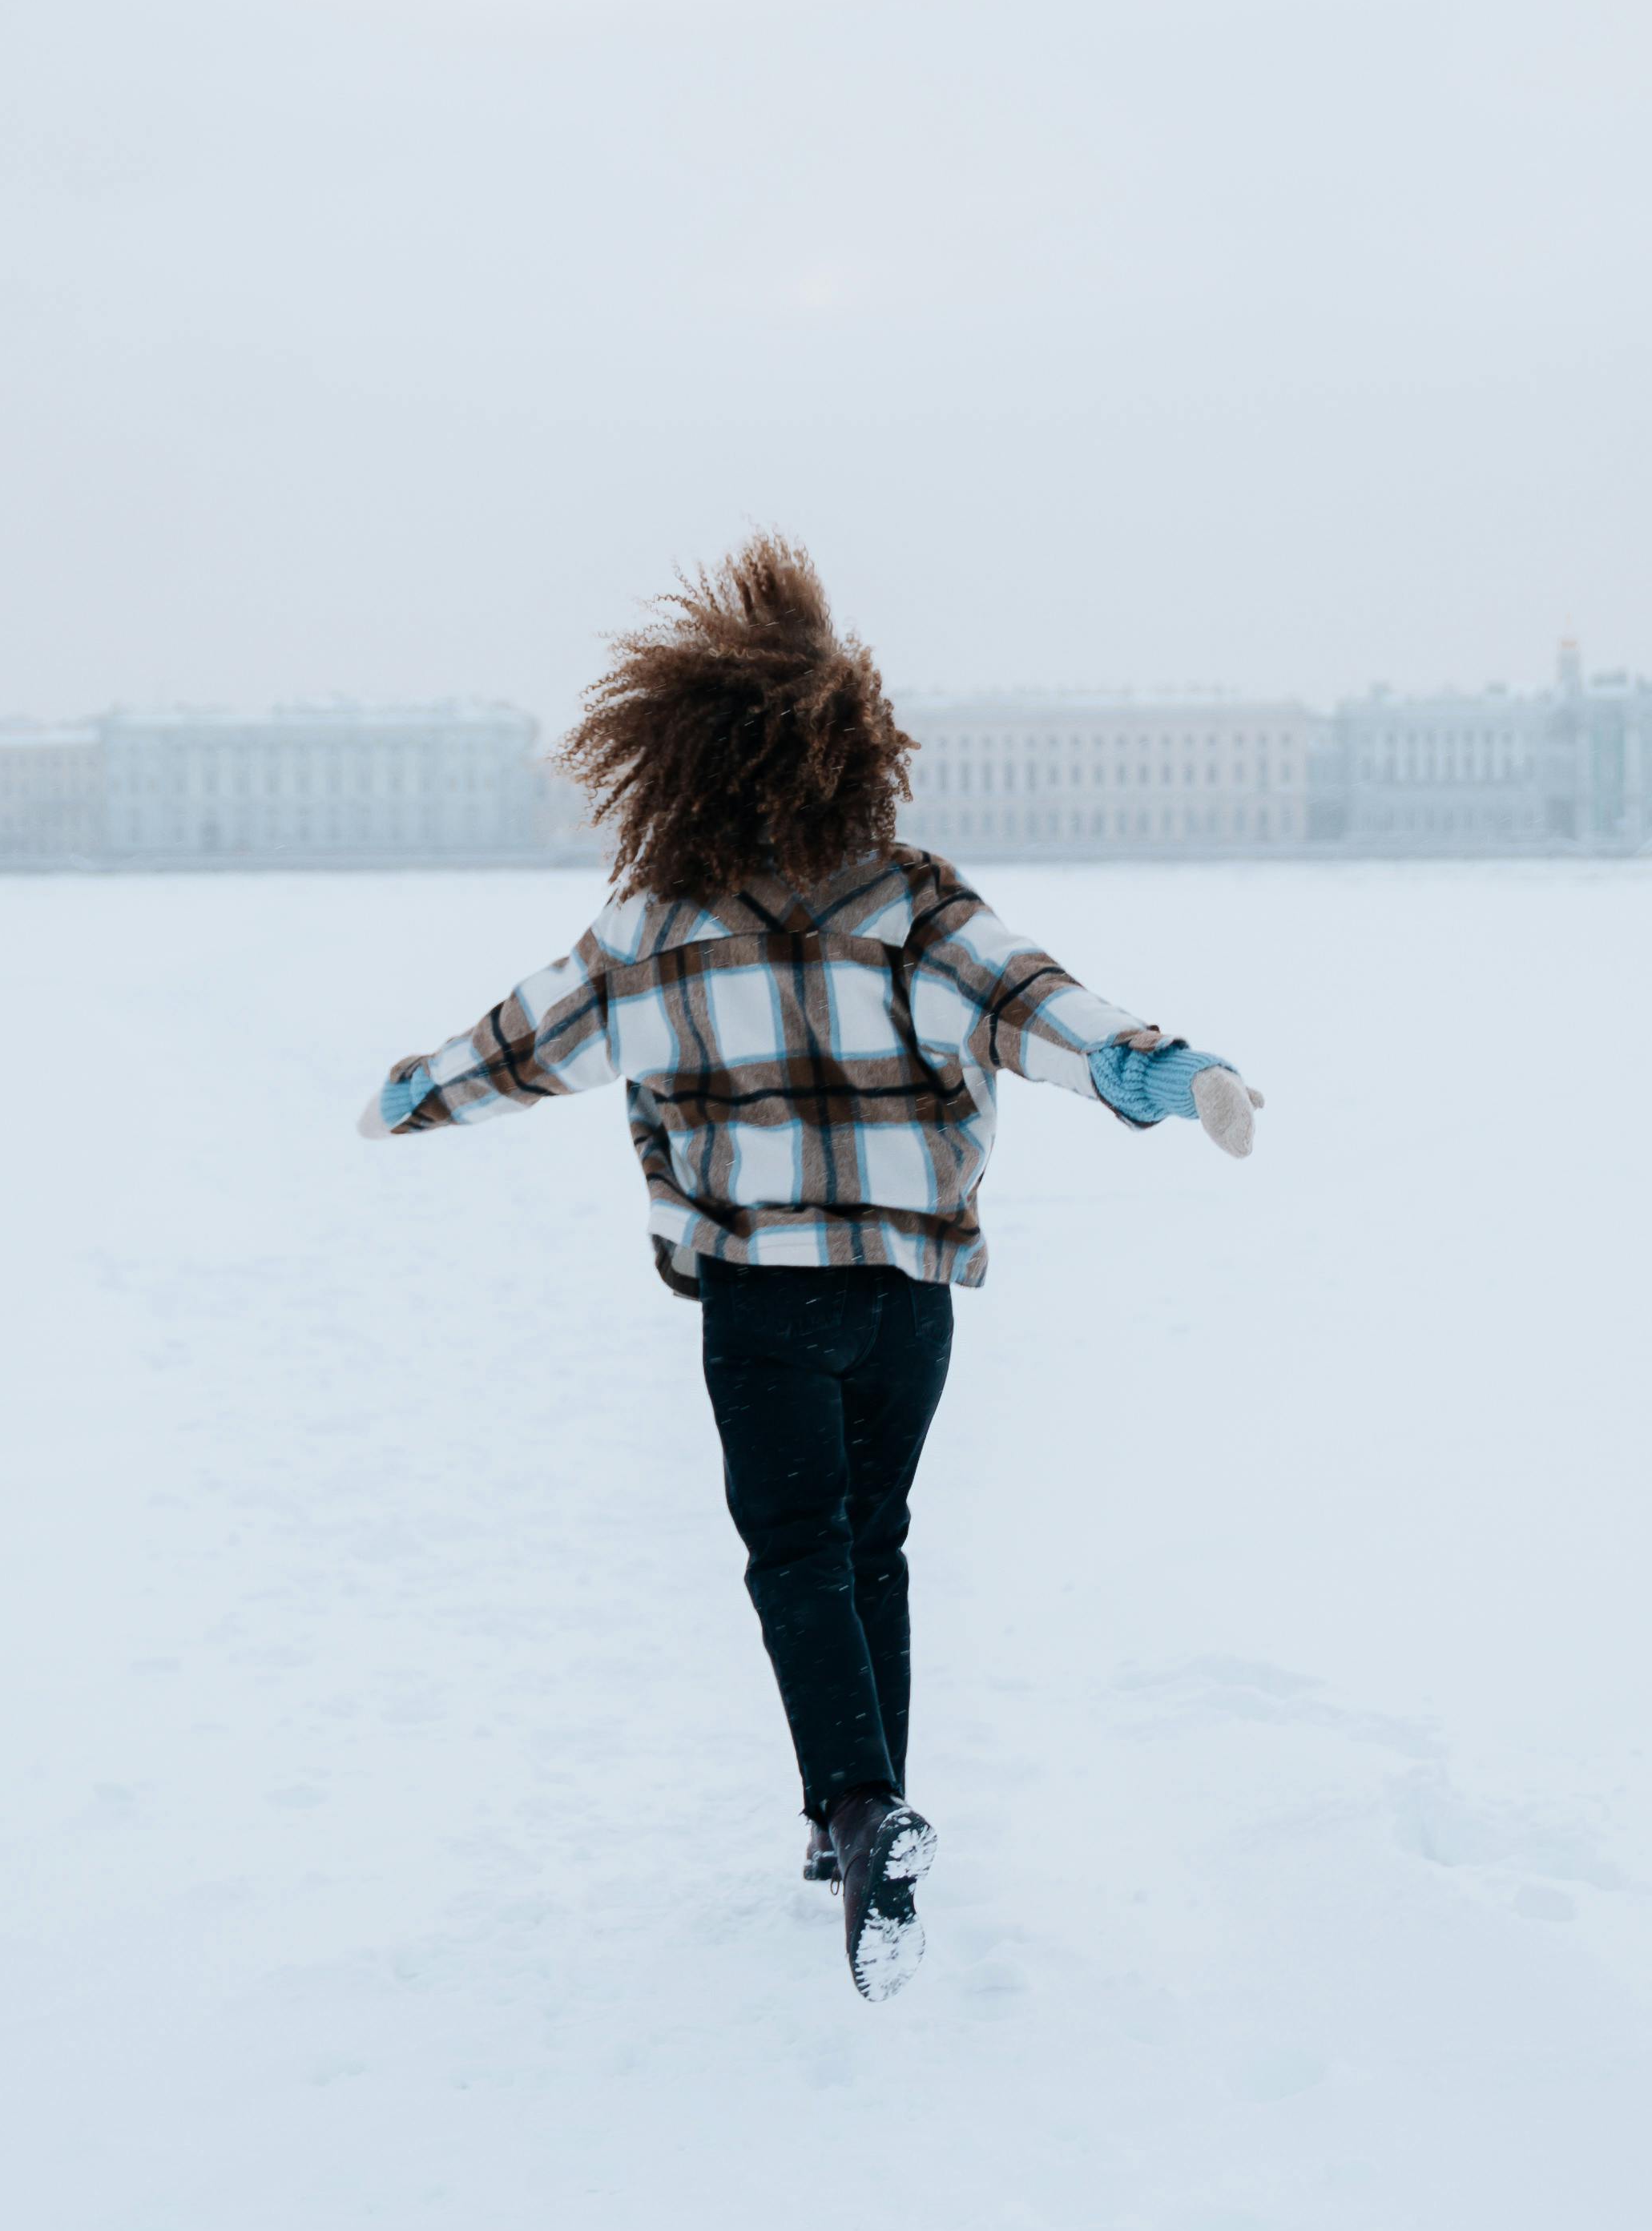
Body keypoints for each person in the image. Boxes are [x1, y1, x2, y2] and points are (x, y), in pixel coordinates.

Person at [357, 536, 1259, 1999]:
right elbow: (1041, 1008)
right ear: (854, 752)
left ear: (677, 759)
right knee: (871, 1539)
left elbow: (522, 1047)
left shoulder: (655, 927)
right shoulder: (910, 904)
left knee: (797, 1555)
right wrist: (1163, 1076)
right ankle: (859, 1811)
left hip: (760, 1294)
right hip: (901, 1295)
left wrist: (415, 1092)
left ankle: (853, 1809)